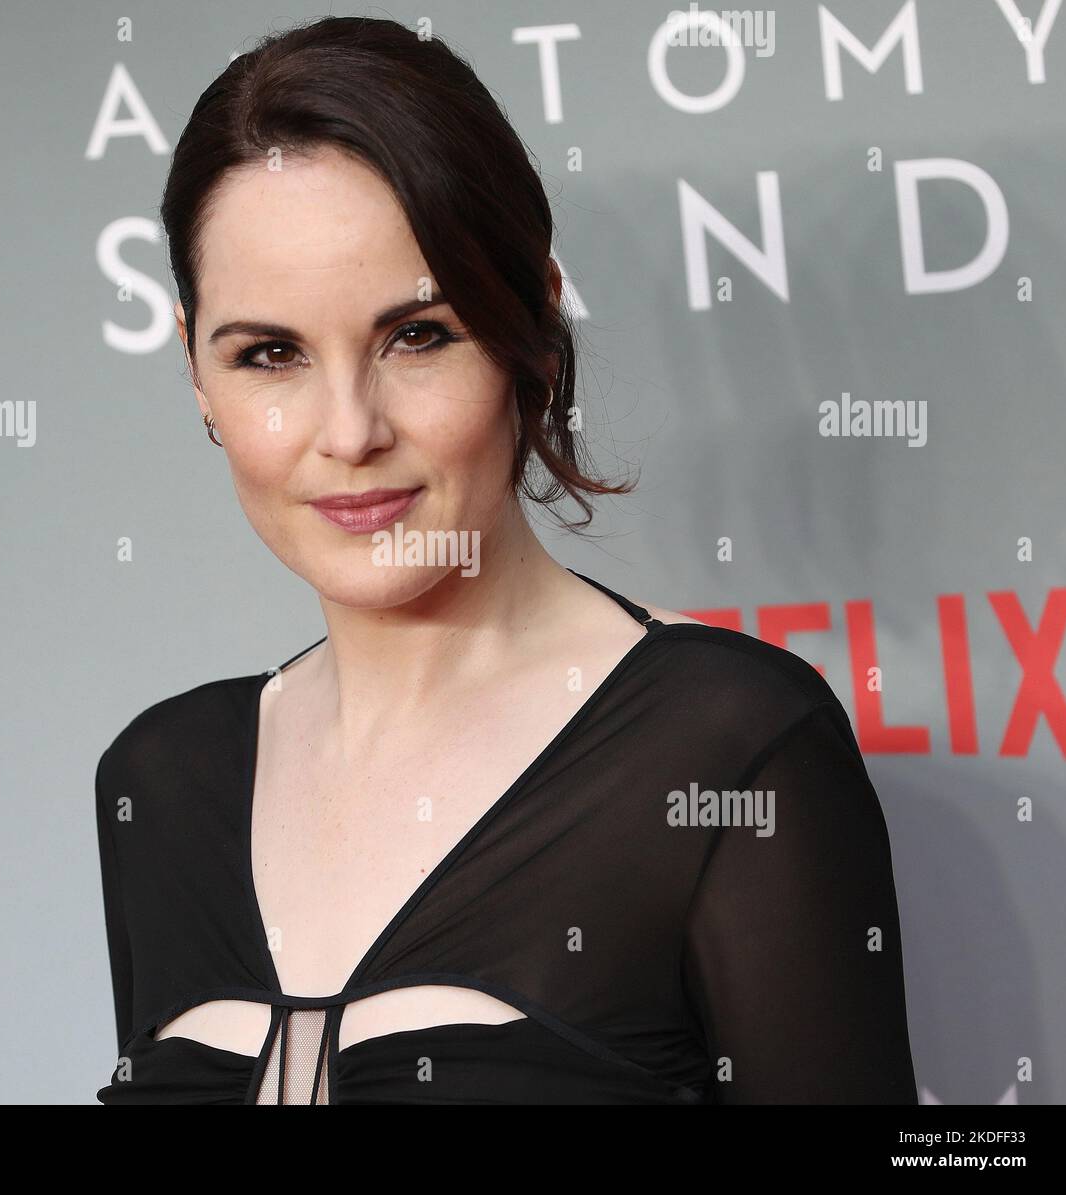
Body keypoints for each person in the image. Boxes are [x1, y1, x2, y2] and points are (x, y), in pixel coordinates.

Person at [95, 15, 918, 1104]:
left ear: (530, 321)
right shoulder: (162, 781)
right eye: (270, 354)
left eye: (417, 335)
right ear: (198, 372)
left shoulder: (726, 748)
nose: (348, 431)